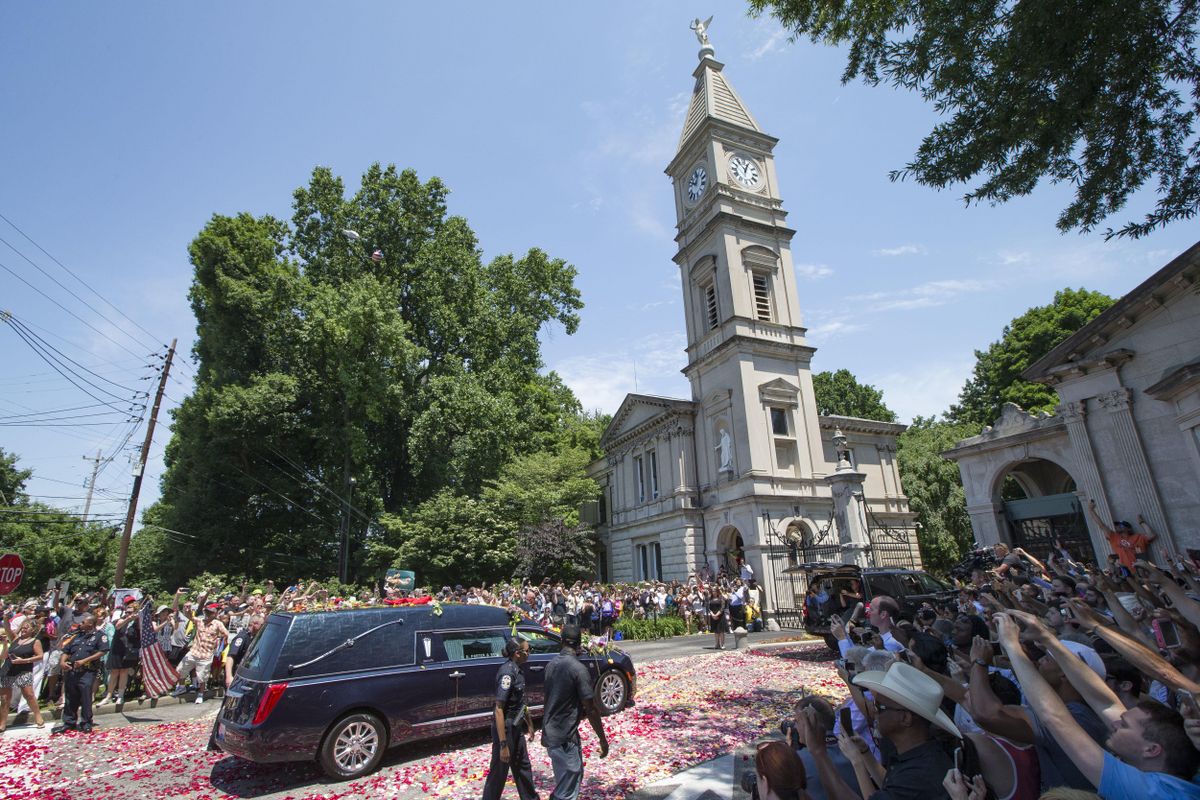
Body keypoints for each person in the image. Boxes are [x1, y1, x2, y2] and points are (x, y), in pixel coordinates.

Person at [994, 611, 1200, 798]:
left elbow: (1055, 719)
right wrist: (1048, 639)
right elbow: (1107, 703)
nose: (1115, 724)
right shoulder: (1177, 778)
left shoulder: (1153, 794)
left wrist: (1012, 647)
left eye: (1125, 726)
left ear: (1152, 749)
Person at [804, 662, 958, 800]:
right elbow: (888, 785)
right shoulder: (918, 754)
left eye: (880, 707)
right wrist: (865, 754)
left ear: (905, 718)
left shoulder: (918, 775)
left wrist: (820, 753)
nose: (874, 712)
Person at [541, 624, 609, 800]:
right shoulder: (578, 670)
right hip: (564, 737)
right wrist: (602, 738)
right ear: (579, 644)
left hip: (552, 733)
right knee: (568, 788)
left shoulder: (550, 666)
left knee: (569, 780)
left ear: (561, 641)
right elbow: (591, 708)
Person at [482, 638, 537, 800]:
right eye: (527, 651)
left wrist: (530, 724)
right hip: (505, 729)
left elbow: (522, 702)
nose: (529, 654)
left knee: (523, 767)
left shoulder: (518, 670)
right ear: (517, 654)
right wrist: (503, 744)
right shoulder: (507, 673)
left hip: (516, 727)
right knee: (499, 772)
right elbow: (498, 709)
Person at [53, 613, 108, 734]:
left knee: (85, 697)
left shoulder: (99, 636)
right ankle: (69, 722)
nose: (80, 624)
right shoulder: (77, 636)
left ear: (90, 624)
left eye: (83, 622)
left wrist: (84, 661)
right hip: (72, 671)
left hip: (87, 671)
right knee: (70, 697)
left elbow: (102, 651)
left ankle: (86, 723)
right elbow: (66, 650)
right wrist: (62, 662)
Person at [1, 618, 47, 731]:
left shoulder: (35, 641)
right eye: (23, 627)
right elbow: (7, 629)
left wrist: (24, 661)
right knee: (5, 698)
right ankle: (2, 723)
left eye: (27, 627)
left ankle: (38, 716)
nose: (24, 629)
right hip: (8, 669)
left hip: (24, 669)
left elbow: (40, 656)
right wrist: (6, 617)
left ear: (33, 630)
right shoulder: (15, 638)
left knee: (29, 695)